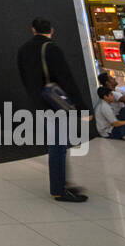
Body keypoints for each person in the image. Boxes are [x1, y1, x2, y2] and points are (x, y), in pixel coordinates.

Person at [16, 17, 86, 203]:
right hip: (56, 104)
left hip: (39, 102)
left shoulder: (24, 49)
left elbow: (24, 77)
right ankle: (59, 189)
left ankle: (63, 183)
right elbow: (66, 79)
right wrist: (82, 106)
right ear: (51, 30)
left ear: (33, 30)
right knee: (58, 146)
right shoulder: (51, 48)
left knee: (58, 144)